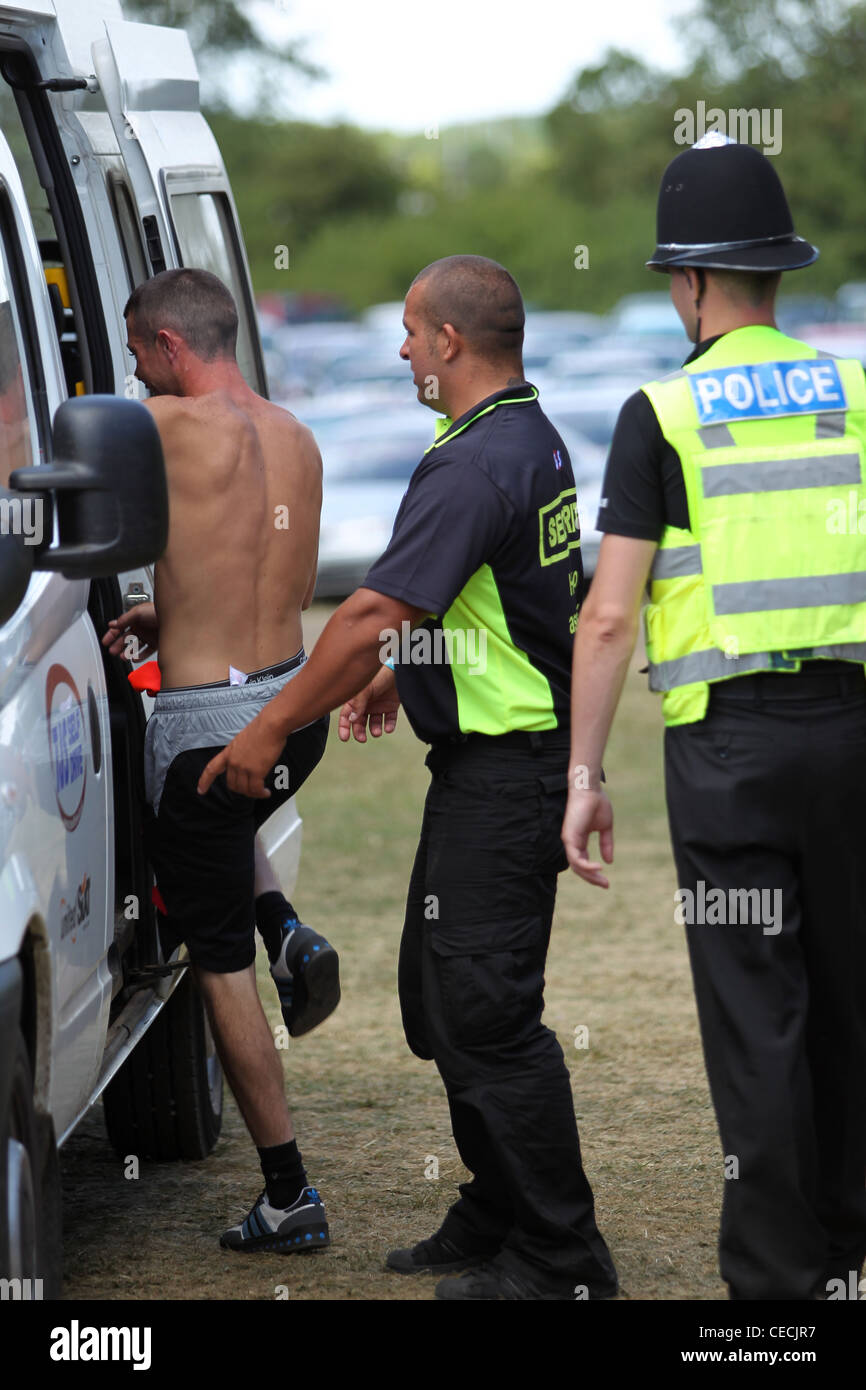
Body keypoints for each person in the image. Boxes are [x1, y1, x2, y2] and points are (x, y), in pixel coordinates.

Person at [198, 254, 618, 1301]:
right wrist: (402, 670)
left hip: (507, 774)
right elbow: (480, 604)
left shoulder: (476, 460)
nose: (398, 349)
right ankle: (497, 1206)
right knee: (438, 1002)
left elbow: (372, 607)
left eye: (408, 331)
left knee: (485, 1014)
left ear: (449, 344)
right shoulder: (517, 434)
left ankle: (563, 1258)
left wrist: (267, 731)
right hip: (483, 761)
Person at [562, 134, 866, 1300]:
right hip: (848, 731)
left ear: (688, 281)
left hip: (728, 748)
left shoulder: (661, 413)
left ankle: (777, 1286)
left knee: (756, 1012)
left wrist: (583, 774)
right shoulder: (850, 390)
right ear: (775, 273)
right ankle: (843, 1247)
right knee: (846, 994)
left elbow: (607, 617)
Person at [101, 267, 339, 1255]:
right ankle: (284, 926)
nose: (137, 377)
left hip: (205, 728)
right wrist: (176, 611)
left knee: (216, 964)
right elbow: (256, 565)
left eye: (138, 358)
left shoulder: (151, 428)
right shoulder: (297, 435)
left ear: (167, 347)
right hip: (290, 710)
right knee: (223, 841)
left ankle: (288, 1192)